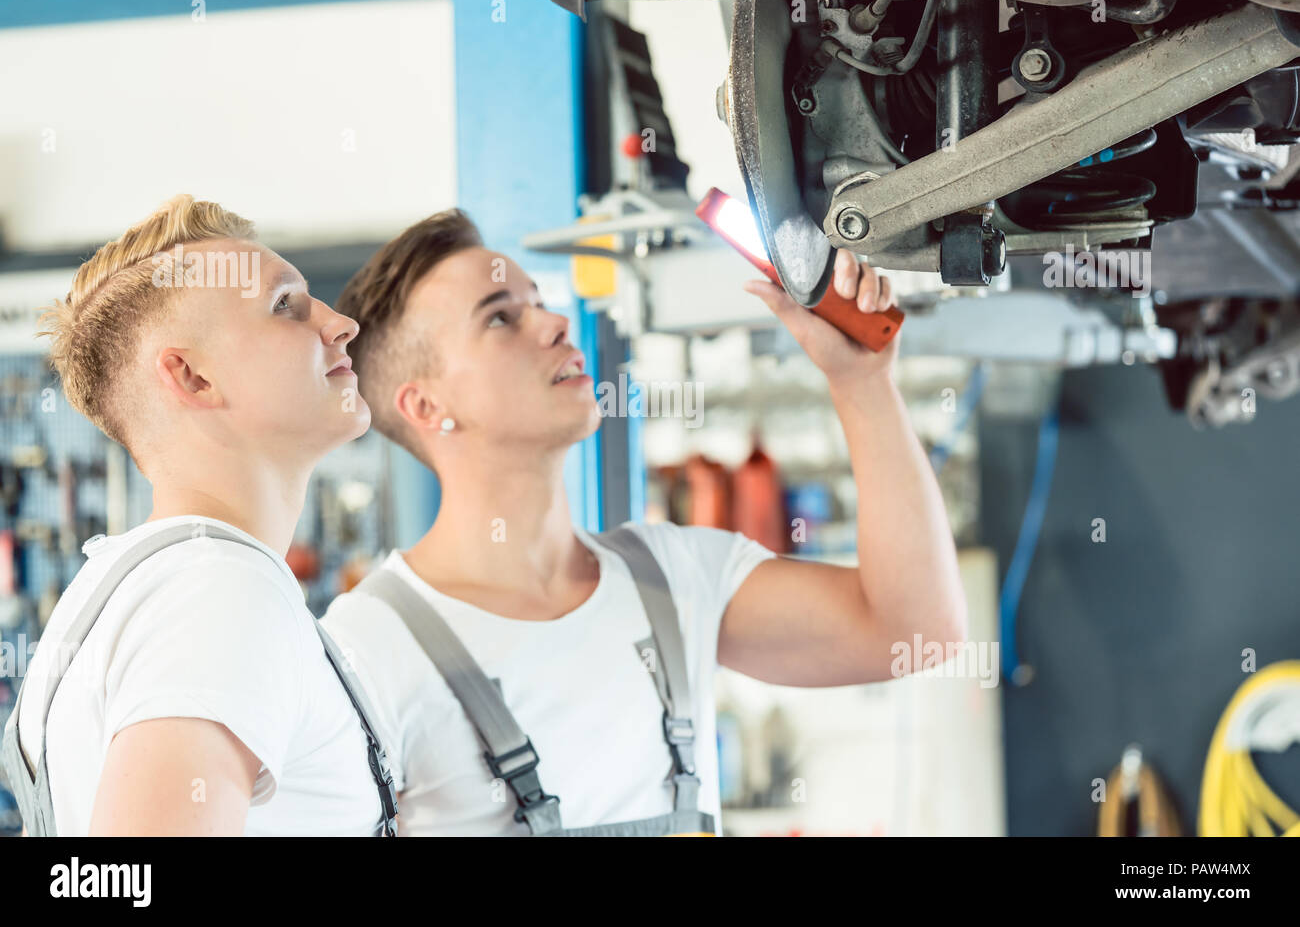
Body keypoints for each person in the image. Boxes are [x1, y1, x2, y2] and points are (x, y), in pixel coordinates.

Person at [322, 208, 967, 835]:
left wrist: (861, 382)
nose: (552, 323)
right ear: (426, 404)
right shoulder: (367, 649)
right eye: (501, 318)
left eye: (540, 300)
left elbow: (915, 631)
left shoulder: (673, 578)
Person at [1, 195, 395, 836]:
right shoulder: (217, 592)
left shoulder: (146, 585)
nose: (340, 323)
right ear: (192, 377)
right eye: (284, 306)